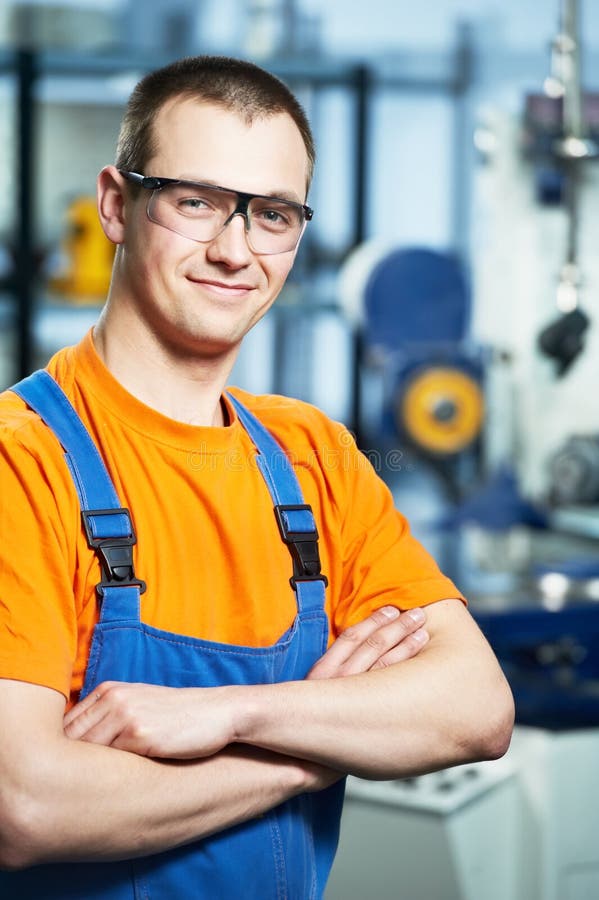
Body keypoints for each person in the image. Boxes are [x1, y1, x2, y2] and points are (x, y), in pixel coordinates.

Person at [0, 55, 514, 899]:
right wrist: (304, 755)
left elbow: (474, 708)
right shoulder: (24, 461)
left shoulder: (312, 457)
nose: (234, 251)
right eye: (196, 201)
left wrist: (229, 714)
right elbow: (24, 805)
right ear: (118, 204)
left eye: (271, 214)